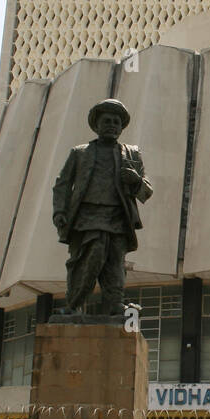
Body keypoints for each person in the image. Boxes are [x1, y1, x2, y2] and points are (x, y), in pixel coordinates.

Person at [51, 99, 153, 315]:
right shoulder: (80, 152)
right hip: (87, 216)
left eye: (117, 122)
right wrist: (60, 211)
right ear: (96, 125)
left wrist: (135, 180)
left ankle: (114, 303)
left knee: (115, 261)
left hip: (118, 217)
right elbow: (62, 184)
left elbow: (146, 191)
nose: (112, 125)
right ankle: (73, 304)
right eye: (107, 121)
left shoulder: (132, 154)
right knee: (89, 257)